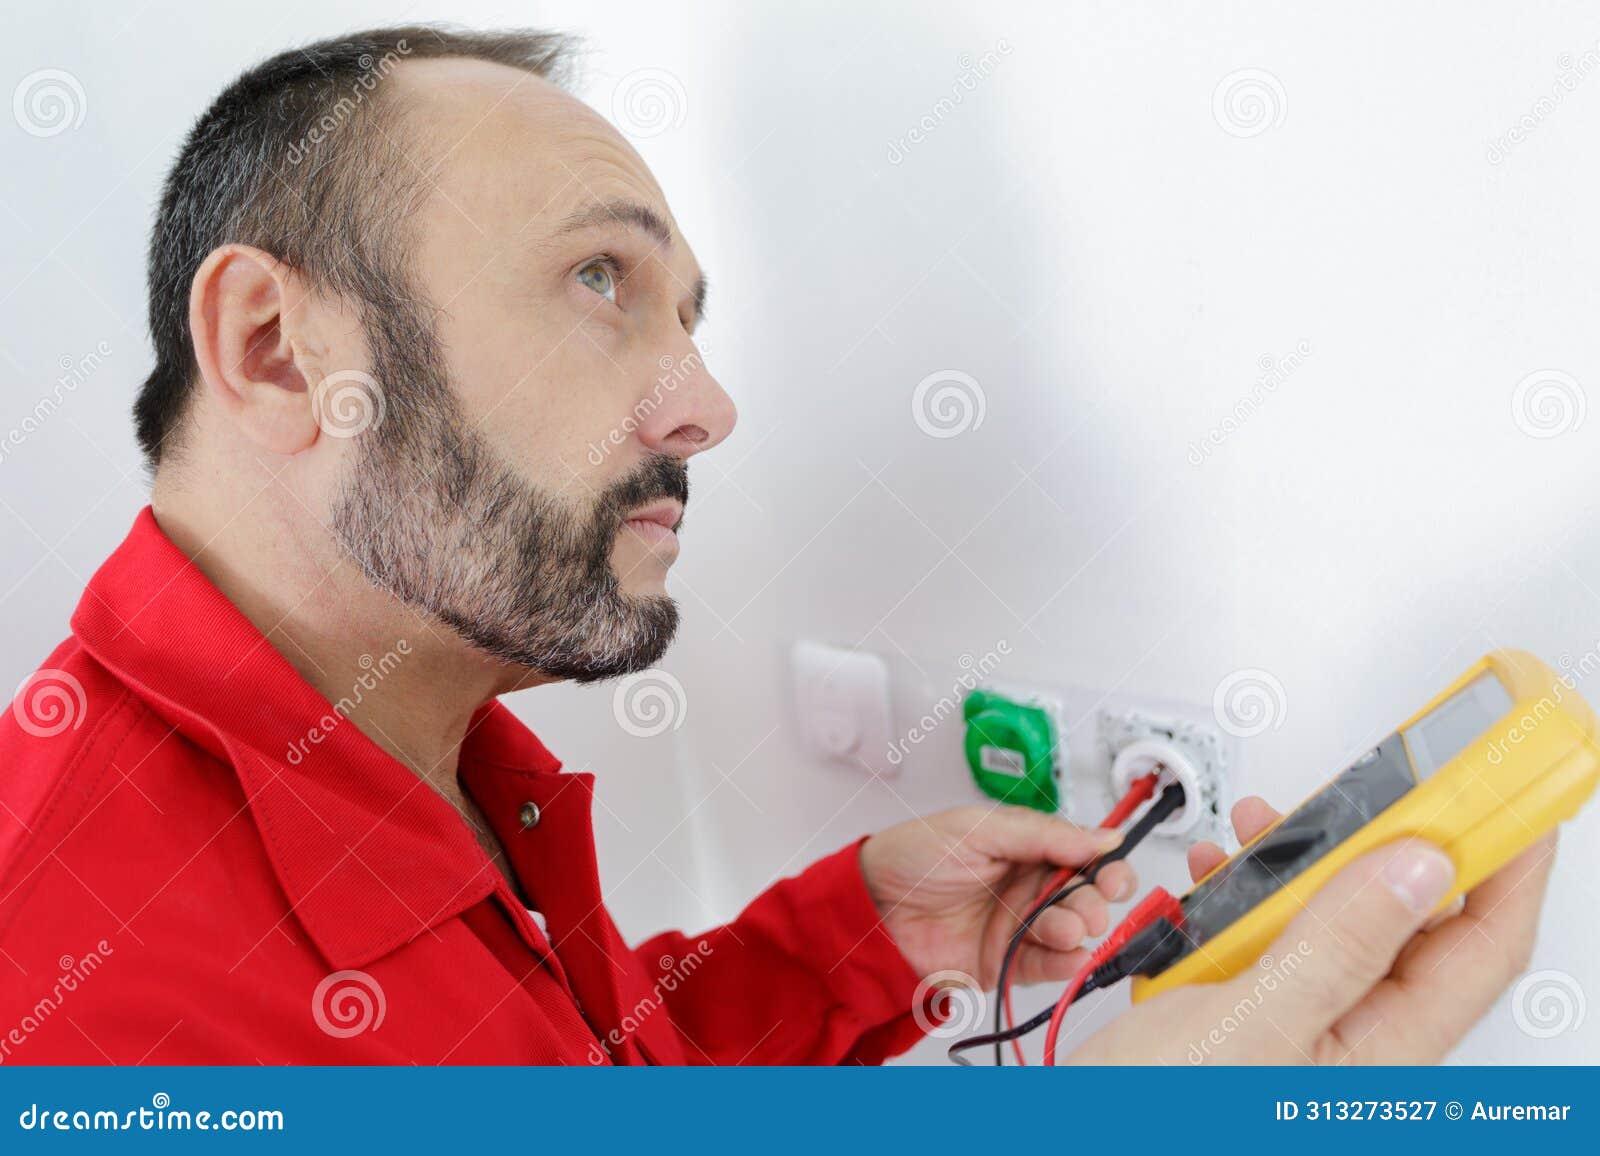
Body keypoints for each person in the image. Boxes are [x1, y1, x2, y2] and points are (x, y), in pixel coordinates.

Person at [0, 26, 1551, 1066]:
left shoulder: (425, 769)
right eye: (599, 280)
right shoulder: (79, 987)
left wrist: (847, 943)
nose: (706, 406)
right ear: (274, 349)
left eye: (688, 314)